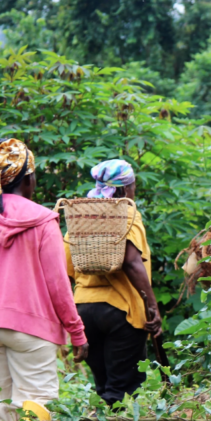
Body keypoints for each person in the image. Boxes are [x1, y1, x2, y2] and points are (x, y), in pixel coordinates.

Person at [0, 138, 89, 421]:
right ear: (28, 178)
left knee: (3, 401)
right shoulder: (42, 220)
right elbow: (57, 284)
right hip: (30, 326)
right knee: (38, 398)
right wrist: (77, 333)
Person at [66, 160, 161, 407]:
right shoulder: (126, 212)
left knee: (105, 385)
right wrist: (152, 306)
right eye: (134, 185)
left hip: (85, 308)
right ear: (126, 188)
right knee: (124, 390)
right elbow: (131, 262)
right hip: (122, 310)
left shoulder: (82, 214)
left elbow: (65, 267)